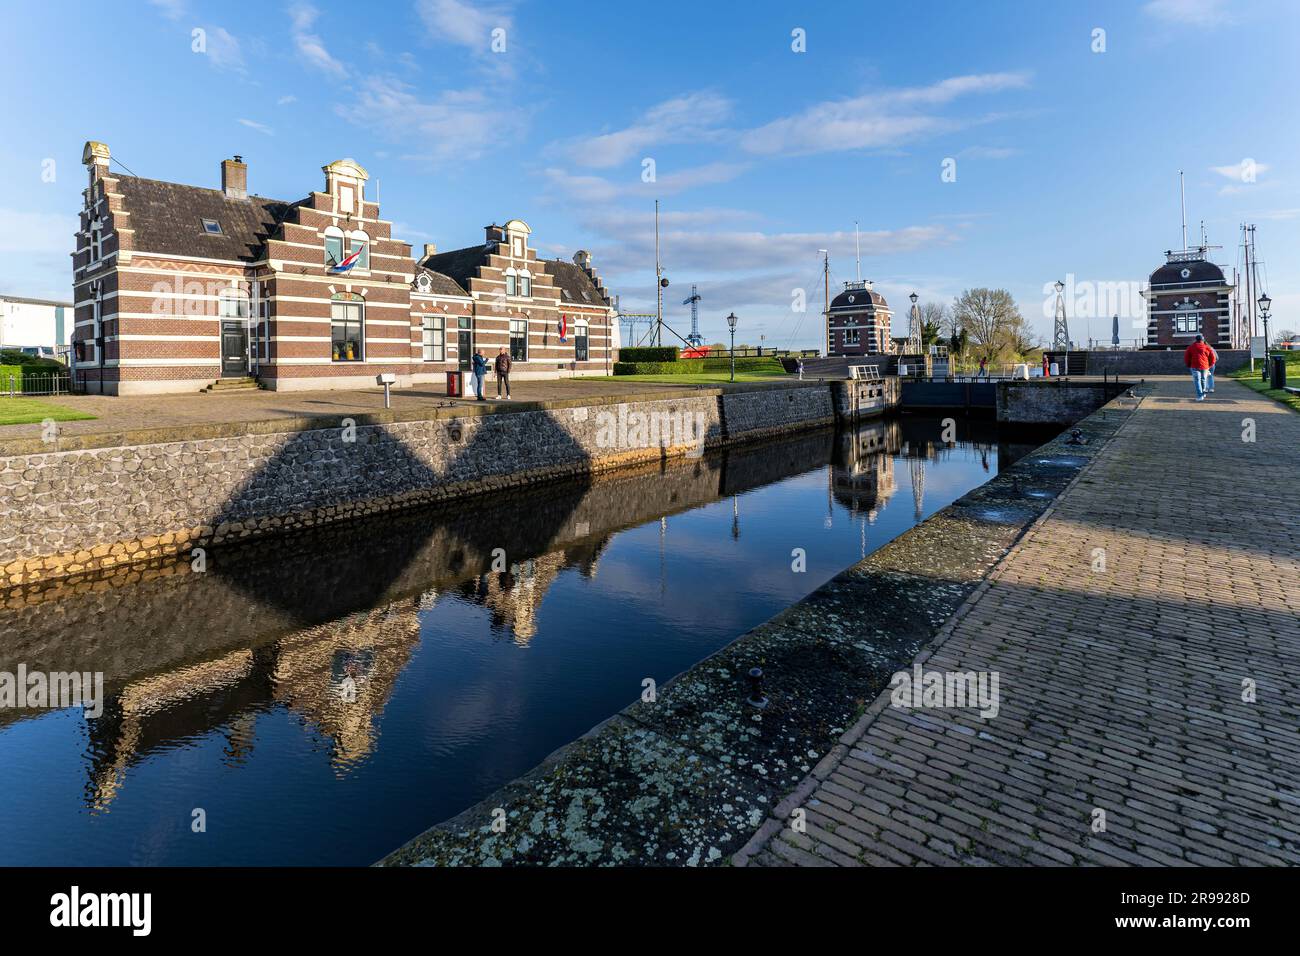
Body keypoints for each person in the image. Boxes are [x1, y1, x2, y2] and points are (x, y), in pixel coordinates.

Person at [1183, 333, 1214, 402]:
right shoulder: (1207, 347)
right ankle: (1203, 394)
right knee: (1203, 380)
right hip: (1205, 366)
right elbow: (1213, 358)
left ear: (1196, 340)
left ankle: (1200, 396)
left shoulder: (1191, 347)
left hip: (1194, 366)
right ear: (1202, 340)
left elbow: (1186, 357)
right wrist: (1209, 365)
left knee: (1197, 381)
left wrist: (1188, 365)